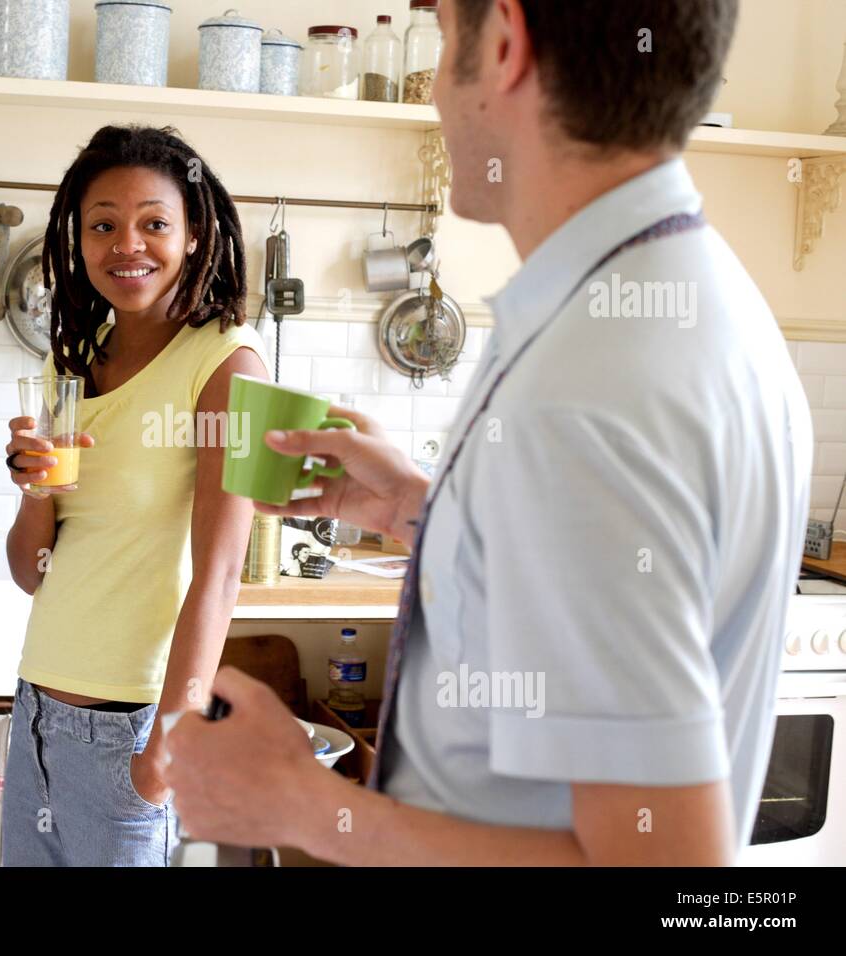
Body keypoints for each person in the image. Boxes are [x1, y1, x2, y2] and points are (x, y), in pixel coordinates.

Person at [164, 0, 813, 866]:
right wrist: (425, 517)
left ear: (504, 43)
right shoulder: (695, 297)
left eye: (444, 46)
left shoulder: (589, 390)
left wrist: (308, 807)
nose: (435, 89)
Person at [1, 125, 270, 866]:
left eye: (154, 222)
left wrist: (162, 755)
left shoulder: (229, 364)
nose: (128, 244)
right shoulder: (76, 362)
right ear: (76, 239)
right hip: (36, 714)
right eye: (103, 225)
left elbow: (220, 577)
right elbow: (34, 574)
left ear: (193, 236)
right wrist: (33, 490)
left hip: (134, 730)